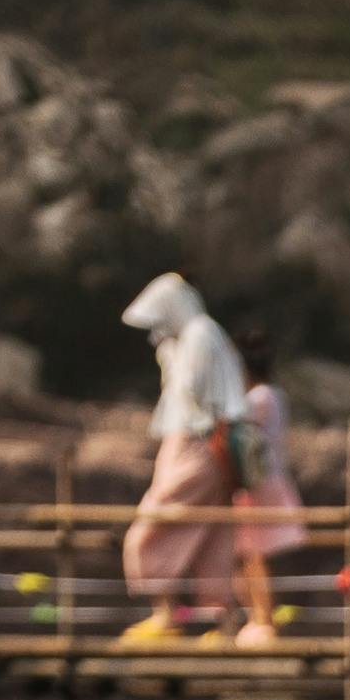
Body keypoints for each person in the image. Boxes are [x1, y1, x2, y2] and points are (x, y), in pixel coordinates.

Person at [113, 270, 248, 647]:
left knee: (154, 523)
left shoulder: (199, 335)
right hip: (204, 446)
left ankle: (167, 613)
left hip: (196, 444)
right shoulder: (202, 334)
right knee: (212, 533)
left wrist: (172, 358)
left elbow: (191, 393)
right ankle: (222, 621)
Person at [226, 346, 306, 648]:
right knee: (248, 554)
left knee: (253, 553)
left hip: (256, 483)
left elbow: (232, 422)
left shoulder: (256, 398)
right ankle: (257, 616)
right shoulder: (275, 395)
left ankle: (262, 619)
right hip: (269, 478)